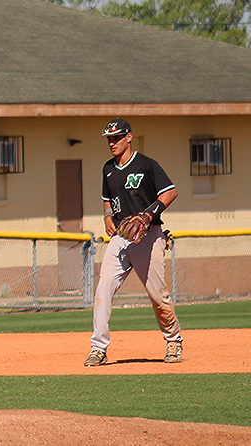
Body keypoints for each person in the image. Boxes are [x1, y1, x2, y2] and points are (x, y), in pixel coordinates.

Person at [84, 118, 183, 366]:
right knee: (103, 290)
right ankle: (98, 348)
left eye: (116, 137)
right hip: (120, 237)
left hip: (148, 236)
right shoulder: (107, 168)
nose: (112, 142)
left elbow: (170, 192)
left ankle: (173, 341)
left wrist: (148, 214)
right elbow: (107, 199)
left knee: (157, 296)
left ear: (129, 137)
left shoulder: (146, 164)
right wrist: (107, 215)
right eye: (109, 138)